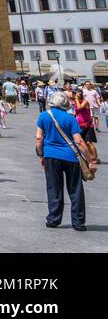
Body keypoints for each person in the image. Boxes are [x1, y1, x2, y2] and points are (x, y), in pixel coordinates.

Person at [36, 91, 89, 231]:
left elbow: (39, 138)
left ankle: (54, 219)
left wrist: (41, 155)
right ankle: (78, 222)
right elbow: (78, 140)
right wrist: (90, 159)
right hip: (70, 157)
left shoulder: (43, 116)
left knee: (54, 187)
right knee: (75, 189)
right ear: (65, 103)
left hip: (51, 156)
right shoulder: (71, 118)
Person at [72, 88, 99, 168]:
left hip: (88, 125)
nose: (75, 95)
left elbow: (80, 107)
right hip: (80, 125)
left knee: (89, 142)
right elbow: (76, 111)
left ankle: (95, 158)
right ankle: (90, 157)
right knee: (83, 143)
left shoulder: (85, 101)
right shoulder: (76, 102)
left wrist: (76, 100)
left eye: (76, 94)